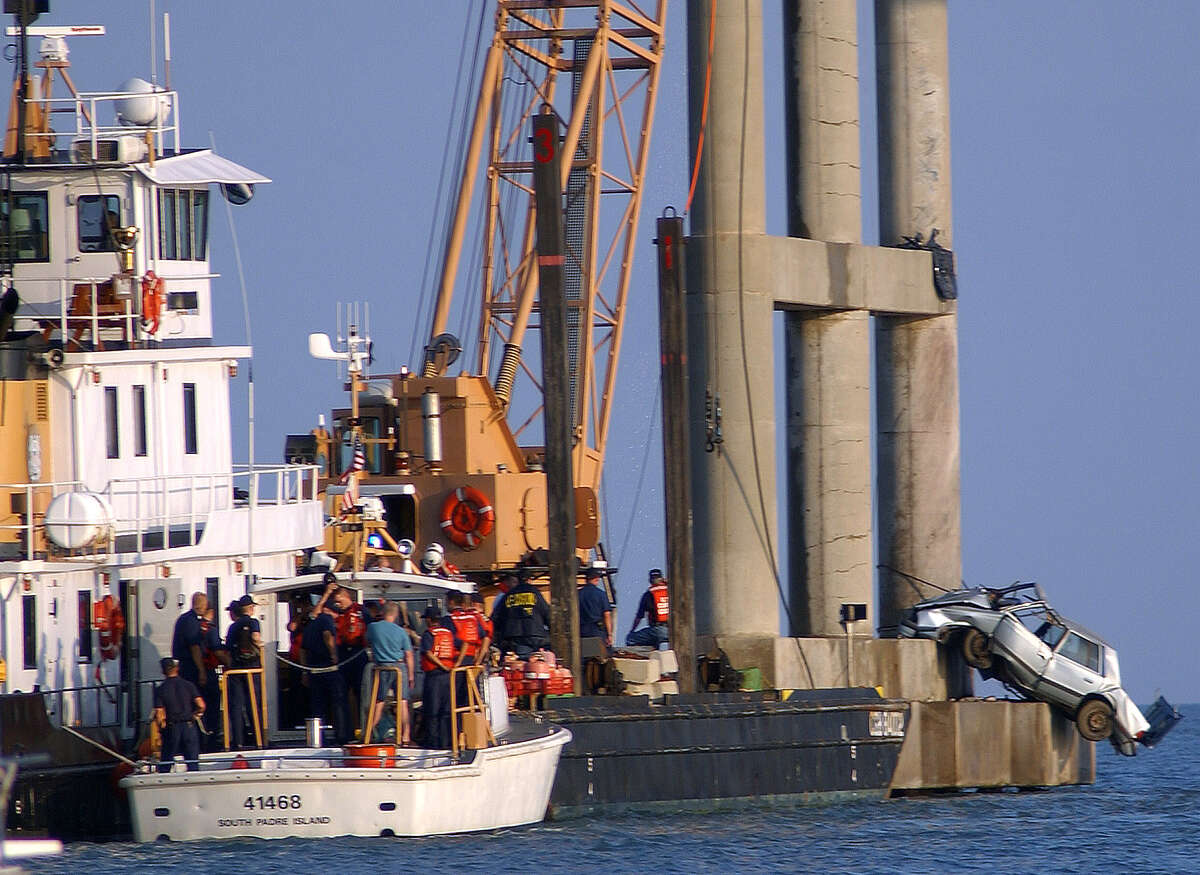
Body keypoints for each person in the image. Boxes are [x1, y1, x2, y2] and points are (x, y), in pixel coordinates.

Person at [365, 601, 414, 744]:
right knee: (403, 702)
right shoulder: (401, 632)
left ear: (383, 612)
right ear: (396, 614)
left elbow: (367, 642)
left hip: (382, 667)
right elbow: (409, 655)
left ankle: (368, 733)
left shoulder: (373, 628)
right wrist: (411, 676)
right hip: (399, 667)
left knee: (379, 702)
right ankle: (406, 735)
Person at [302, 603, 349, 744]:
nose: (337, 616)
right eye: (336, 613)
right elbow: (328, 635)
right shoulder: (326, 619)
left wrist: (304, 671)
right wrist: (333, 654)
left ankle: (317, 739)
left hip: (313, 669)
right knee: (338, 702)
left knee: (317, 705)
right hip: (328, 668)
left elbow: (302, 650)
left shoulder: (310, 625)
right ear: (328, 611)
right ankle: (342, 736)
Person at [419, 605, 462, 750]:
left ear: (430, 620)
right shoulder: (449, 633)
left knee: (432, 710)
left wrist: (441, 666)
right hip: (448, 676)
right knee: (447, 710)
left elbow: (428, 653)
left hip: (435, 676)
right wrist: (456, 665)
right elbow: (464, 645)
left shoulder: (428, 634)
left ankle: (433, 744)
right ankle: (447, 742)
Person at [153, 657, 204, 772]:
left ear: (163, 671)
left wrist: (160, 732)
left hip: (172, 727)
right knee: (192, 763)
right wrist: (195, 714)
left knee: (166, 761)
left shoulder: (160, 689)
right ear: (177, 668)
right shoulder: (189, 685)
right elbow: (201, 705)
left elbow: (159, 714)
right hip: (189, 725)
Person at [224, 595, 262, 749]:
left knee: (236, 705)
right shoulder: (253, 622)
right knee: (254, 703)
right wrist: (261, 646)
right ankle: (258, 738)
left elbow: (227, 650)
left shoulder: (233, 627)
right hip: (253, 667)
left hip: (235, 670)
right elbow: (256, 638)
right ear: (251, 608)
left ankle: (238, 740)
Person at [332, 586, 369, 736]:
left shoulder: (361, 611)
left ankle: (365, 731)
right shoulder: (335, 614)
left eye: (338, 601)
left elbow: (370, 628)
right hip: (342, 654)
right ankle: (343, 733)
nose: (337, 604)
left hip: (358, 652)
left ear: (344, 596)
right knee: (340, 695)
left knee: (362, 694)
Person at [490, 571, 550, 658]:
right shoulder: (534, 593)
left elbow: (497, 617)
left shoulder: (509, 595)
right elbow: (546, 613)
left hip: (514, 636)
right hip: (535, 634)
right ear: (529, 580)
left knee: (520, 662)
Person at [171, 593, 209, 688]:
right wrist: (201, 670)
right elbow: (194, 647)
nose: (206, 608)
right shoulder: (191, 621)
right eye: (205, 605)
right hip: (190, 666)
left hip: (182, 665)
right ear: (200, 605)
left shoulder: (184, 618)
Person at [626, 568, 670, 648]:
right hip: (673, 630)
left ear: (650, 580)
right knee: (653, 636)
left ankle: (648, 654)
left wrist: (632, 631)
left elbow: (639, 617)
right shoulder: (670, 591)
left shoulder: (648, 594)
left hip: (658, 630)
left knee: (630, 639)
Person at [577, 568, 613, 657]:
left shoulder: (577, 594)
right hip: (597, 631)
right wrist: (609, 634)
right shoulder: (601, 594)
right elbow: (607, 615)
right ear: (597, 578)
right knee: (603, 657)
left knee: (584, 657)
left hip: (581, 631)